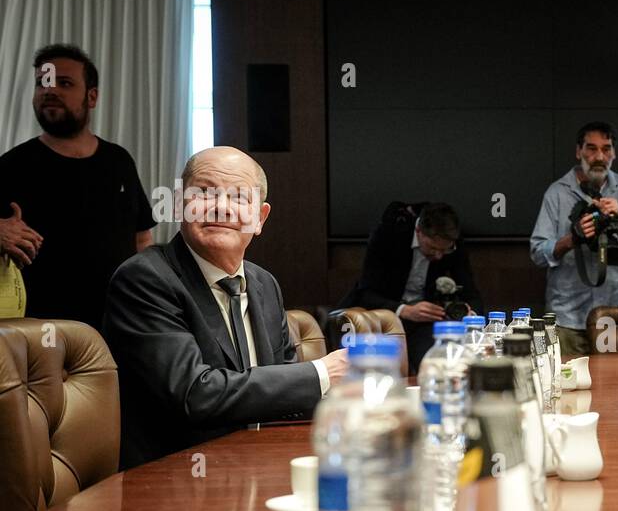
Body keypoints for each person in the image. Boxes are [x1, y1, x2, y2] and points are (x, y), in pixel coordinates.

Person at [103, 146, 348, 469]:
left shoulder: (263, 284)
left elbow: (284, 392)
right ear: (180, 205)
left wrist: (356, 403)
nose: (221, 208)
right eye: (205, 193)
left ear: (259, 218)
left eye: (239, 198)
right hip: (173, 481)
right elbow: (194, 394)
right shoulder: (145, 278)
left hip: (255, 466)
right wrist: (321, 372)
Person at [0, 44, 155, 328]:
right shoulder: (11, 166)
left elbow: (142, 241)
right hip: (37, 333)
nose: (49, 90)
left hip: (119, 326)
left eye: (64, 83)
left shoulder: (119, 161)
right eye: (41, 83)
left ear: (91, 97)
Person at [529, 121, 618, 357]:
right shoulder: (557, 192)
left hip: (617, 314)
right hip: (568, 316)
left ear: (614, 153)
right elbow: (537, 252)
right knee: (566, 388)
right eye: (591, 148)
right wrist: (572, 238)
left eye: (606, 149)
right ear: (579, 151)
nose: (599, 156)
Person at [339, 201, 481, 366]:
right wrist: (405, 310)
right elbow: (365, 294)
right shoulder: (388, 235)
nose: (439, 256)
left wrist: (471, 316)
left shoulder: (452, 245)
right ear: (418, 231)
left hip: (424, 325)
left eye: (444, 250)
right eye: (432, 248)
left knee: (438, 363)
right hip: (381, 318)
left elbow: (472, 293)